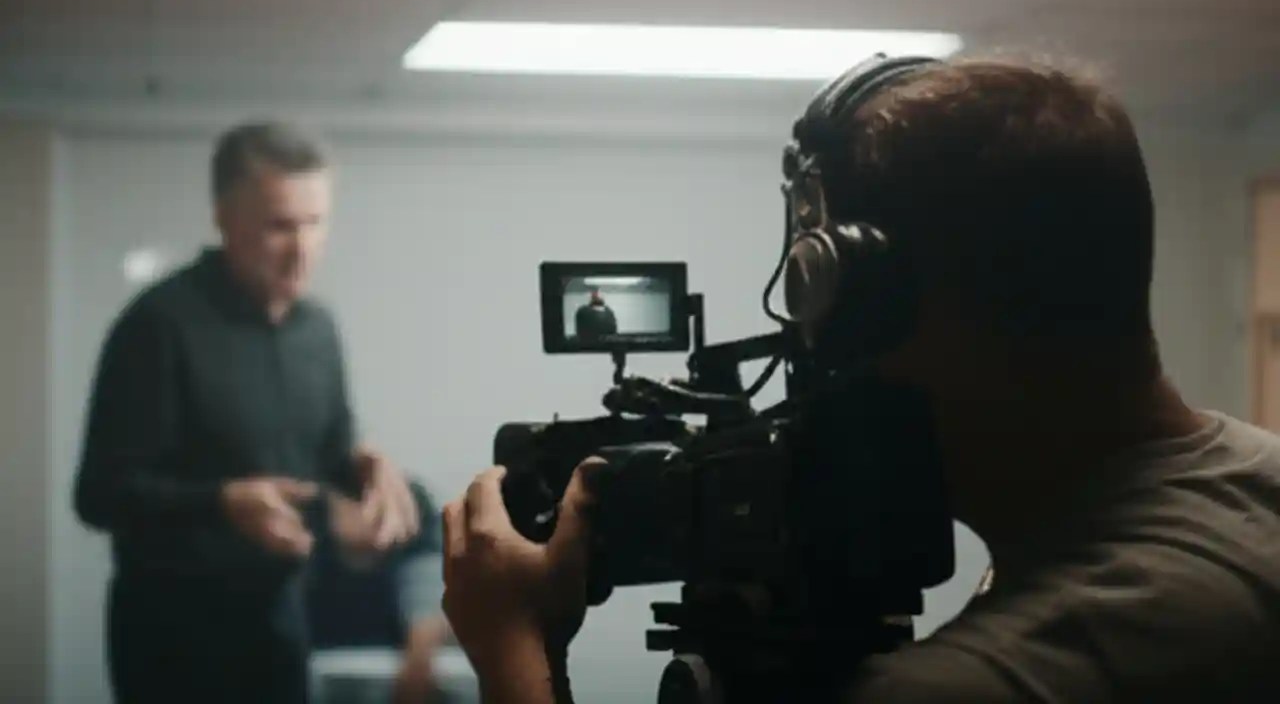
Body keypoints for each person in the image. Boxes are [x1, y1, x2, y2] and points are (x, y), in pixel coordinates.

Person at [438, 57, 1280, 702]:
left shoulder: (988, 680)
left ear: (872, 309)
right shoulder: (1257, 481)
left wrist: (516, 648)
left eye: (816, 324)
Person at [74, 121, 421, 704]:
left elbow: (330, 445)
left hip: (281, 621)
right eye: (280, 225)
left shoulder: (318, 329)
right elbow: (99, 494)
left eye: (316, 223)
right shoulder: (158, 325)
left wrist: (365, 463)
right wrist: (223, 501)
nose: (302, 248)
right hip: (173, 638)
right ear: (224, 217)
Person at [306, 478, 452, 704]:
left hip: (394, 663)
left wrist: (419, 660)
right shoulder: (304, 522)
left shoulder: (414, 519)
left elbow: (426, 586)